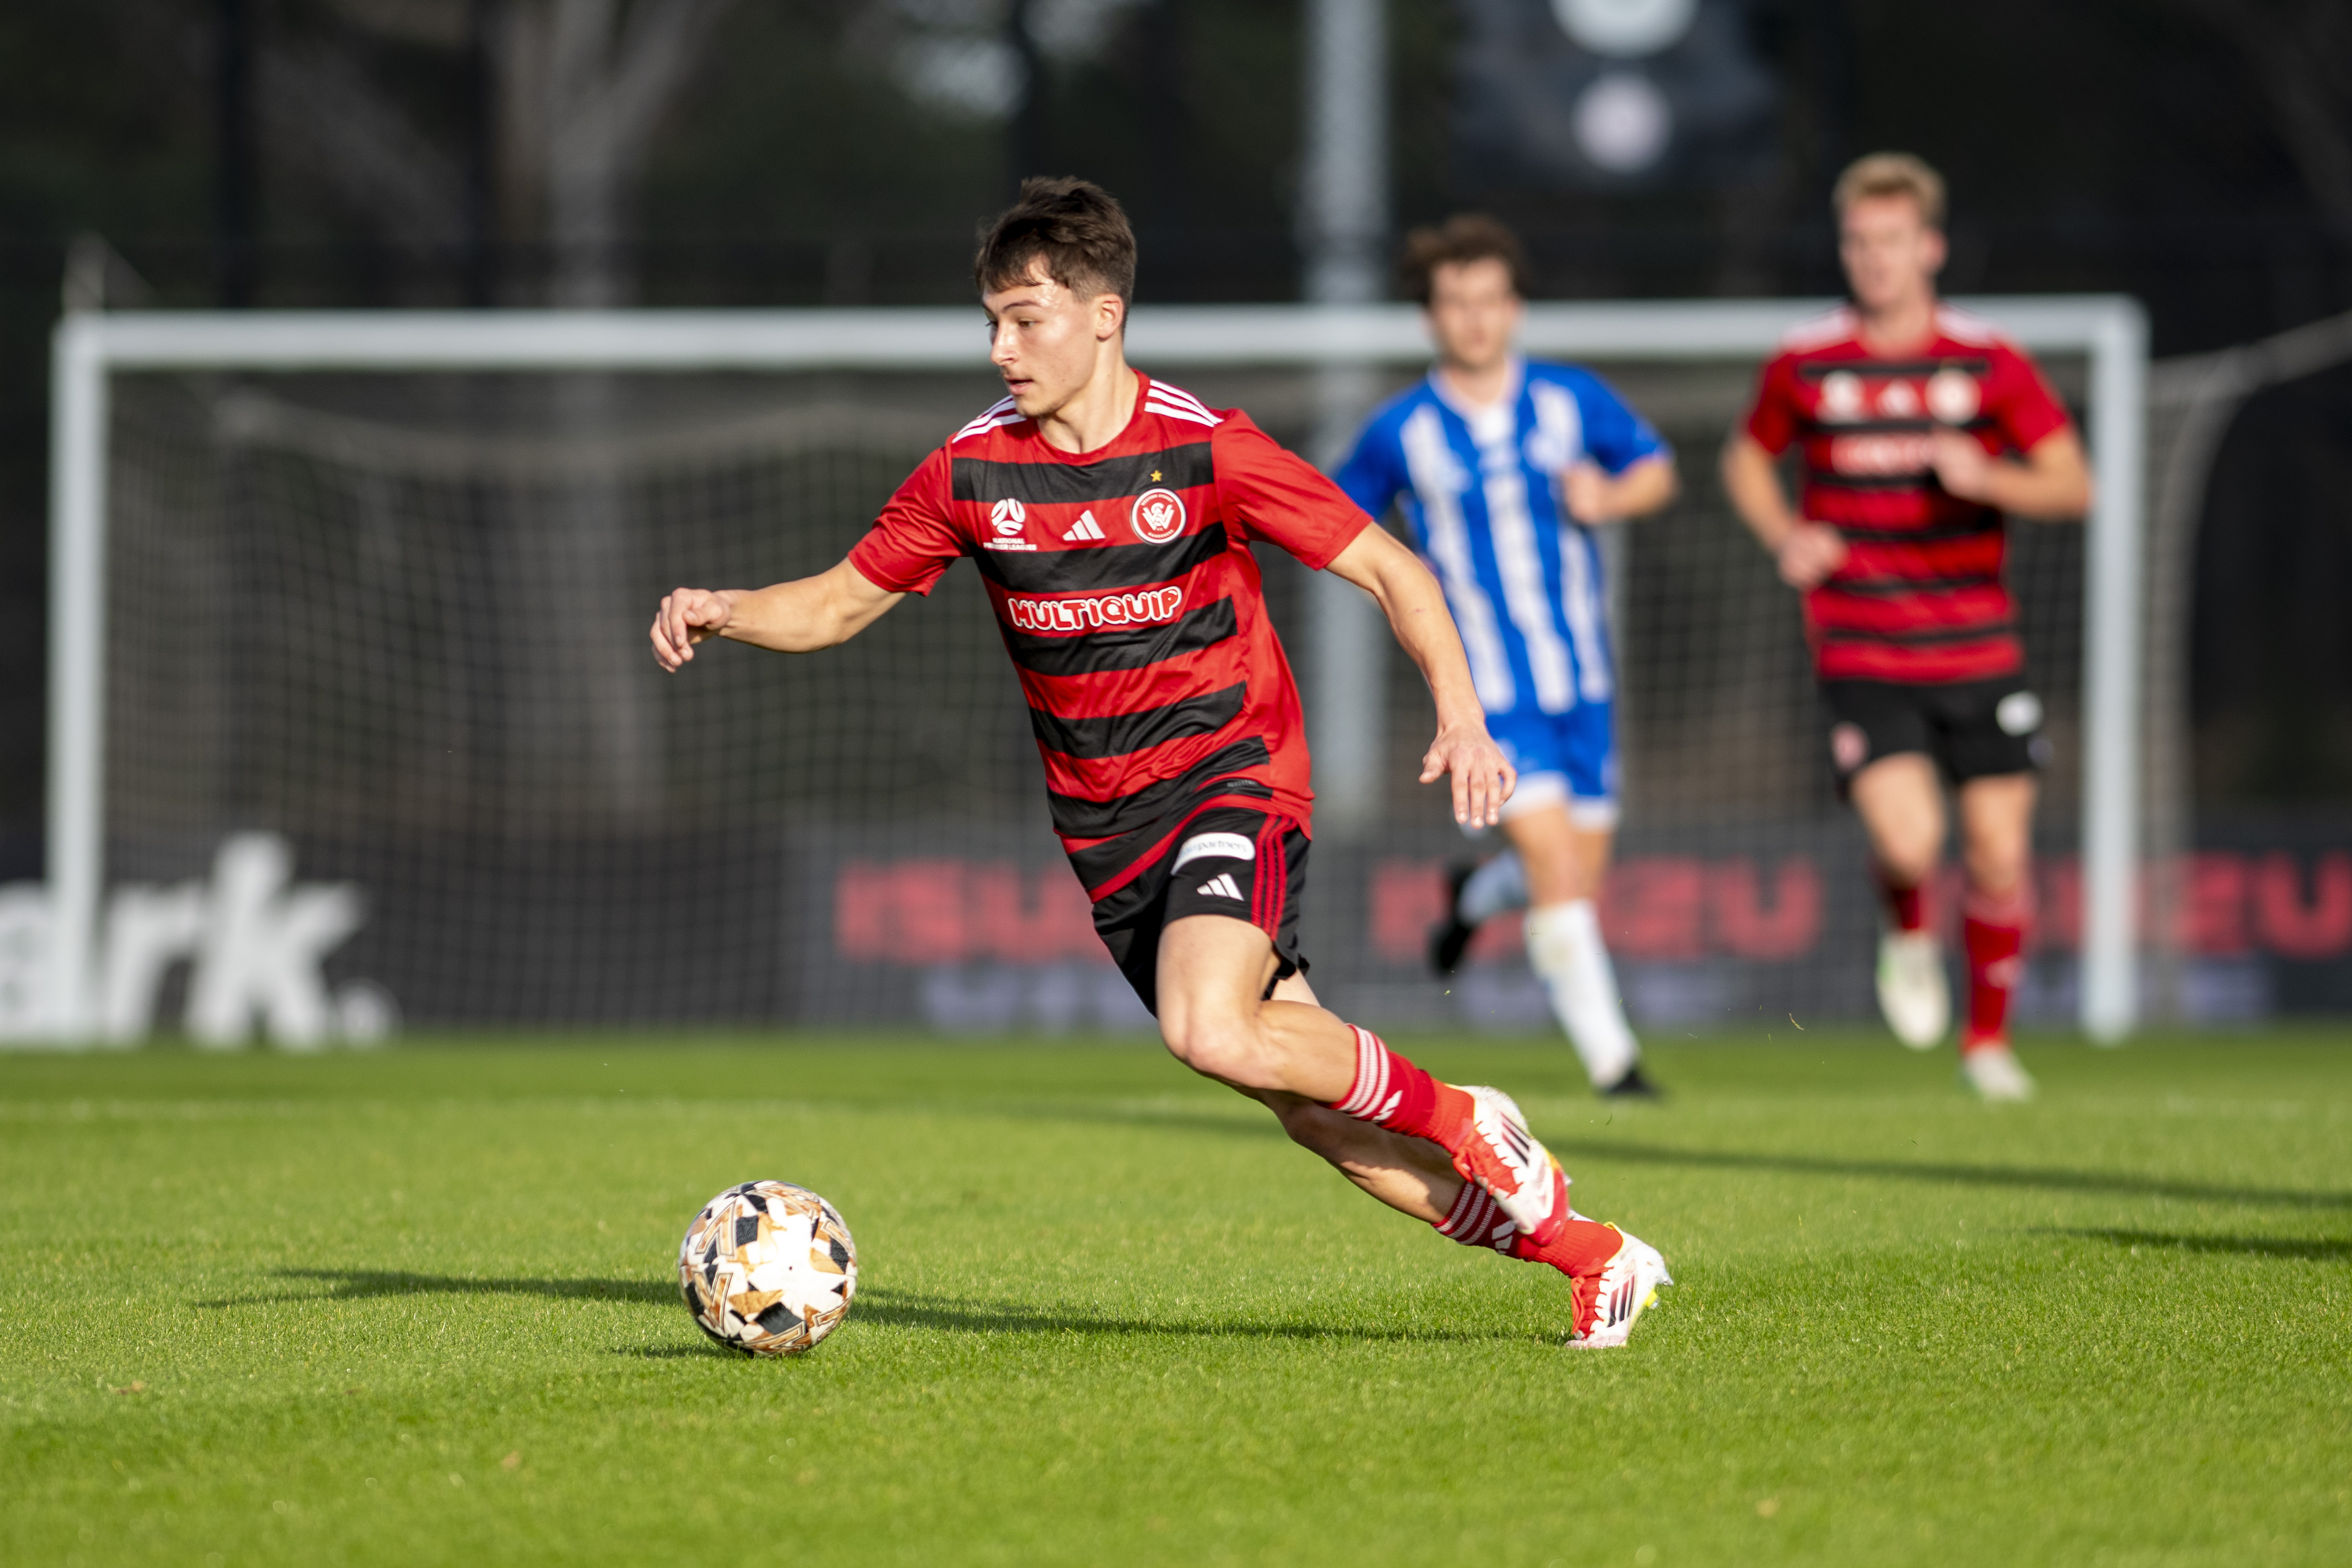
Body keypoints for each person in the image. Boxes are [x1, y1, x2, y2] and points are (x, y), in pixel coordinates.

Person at [649, 178, 1670, 1343]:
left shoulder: (1203, 447)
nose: (1001, 348)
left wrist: (1461, 714)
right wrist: (728, 608)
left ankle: (1467, 1115)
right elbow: (836, 604)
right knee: (1317, 1117)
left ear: (1105, 316)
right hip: (1106, 834)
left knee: (1204, 1026)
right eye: (990, 322)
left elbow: (1393, 569)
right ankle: (1593, 1255)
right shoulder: (969, 473)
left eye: (1024, 319)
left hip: (1234, 776)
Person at [1720, 153, 2092, 1101]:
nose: (1873, 258)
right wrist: (1784, 533)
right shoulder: (1806, 360)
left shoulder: (1987, 360)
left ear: (1929, 247)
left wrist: (1987, 477)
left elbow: (2071, 482)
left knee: (1999, 853)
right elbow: (1745, 459)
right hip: (1861, 646)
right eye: (1857, 241)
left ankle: (1986, 1044)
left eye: (1890, 240)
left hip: (1978, 647)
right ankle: (1907, 924)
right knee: (1907, 843)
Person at [1335, 215, 1677, 1099]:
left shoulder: (1569, 400)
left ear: (1514, 307)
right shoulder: (1400, 430)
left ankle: (1470, 898)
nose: (1475, 318)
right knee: (1557, 871)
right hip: (1487, 694)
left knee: (1570, 879)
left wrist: (1609, 496)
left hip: (1583, 683)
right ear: (1430, 317)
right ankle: (1616, 1066)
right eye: (1456, 302)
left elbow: (1656, 469)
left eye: (1489, 300)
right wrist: (1395, 594)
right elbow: (1333, 522)